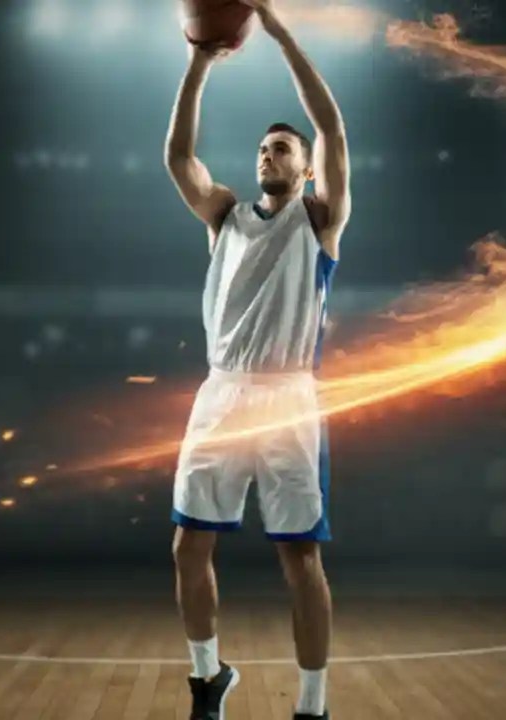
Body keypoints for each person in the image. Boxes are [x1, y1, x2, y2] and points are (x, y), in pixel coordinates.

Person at [163, 1, 350, 718]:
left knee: (300, 558)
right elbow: (178, 158)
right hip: (221, 392)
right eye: (264, 148)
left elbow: (331, 126)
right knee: (187, 548)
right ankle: (208, 678)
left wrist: (275, 30)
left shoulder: (320, 218)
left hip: (288, 397)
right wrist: (198, 61)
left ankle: (312, 706)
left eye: (282, 148)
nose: (267, 153)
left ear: (305, 171)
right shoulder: (225, 216)